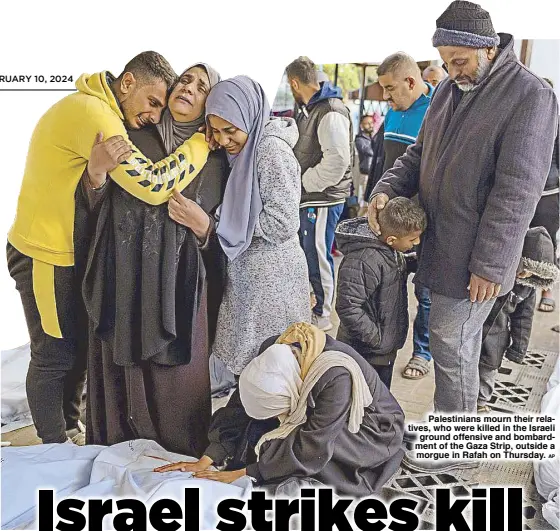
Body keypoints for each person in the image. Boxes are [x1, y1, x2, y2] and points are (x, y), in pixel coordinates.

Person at [6, 52, 209, 445]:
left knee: (76, 348)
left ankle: (67, 432)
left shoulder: (101, 110)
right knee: (53, 354)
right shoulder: (93, 114)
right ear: (127, 83)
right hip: (45, 254)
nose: (154, 115)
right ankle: (54, 446)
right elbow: (151, 186)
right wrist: (200, 145)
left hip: (63, 253)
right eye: (152, 102)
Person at [368, 1, 558, 413]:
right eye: (446, 62)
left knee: (452, 349)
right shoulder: (448, 90)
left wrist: (489, 264)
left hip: (476, 259)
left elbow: (517, 192)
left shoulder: (530, 95)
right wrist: (384, 189)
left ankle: (452, 448)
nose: (453, 71)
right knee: (452, 346)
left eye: (460, 61)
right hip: (442, 247)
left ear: (488, 47)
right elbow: (418, 154)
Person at [81, 64, 227, 456]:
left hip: (177, 284)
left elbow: (226, 229)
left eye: (201, 86)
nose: (189, 89)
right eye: (185, 80)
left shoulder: (215, 158)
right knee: (121, 379)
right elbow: (92, 208)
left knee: (177, 383)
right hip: (122, 276)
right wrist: (95, 174)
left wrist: (204, 228)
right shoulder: (128, 138)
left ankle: (177, 459)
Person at [154, 323, 405, 497]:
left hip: (371, 429)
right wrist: (209, 457)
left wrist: (247, 472)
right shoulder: (274, 349)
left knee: (305, 460)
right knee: (258, 432)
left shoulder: (335, 376)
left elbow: (313, 444)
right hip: (317, 409)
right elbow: (241, 406)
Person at [173, 75, 310, 378]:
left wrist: (219, 223)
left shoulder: (270, 151)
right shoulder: (241, 153)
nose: (223, 140)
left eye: (230, 130)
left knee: (273, 376)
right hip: (249, 285)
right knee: (251, 377)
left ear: (250, 117)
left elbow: (283, 222)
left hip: (274, 288)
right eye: (216, 130)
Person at [368, 52, 435, 381]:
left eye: (390, 88)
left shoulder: (438, 111)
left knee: (424, 292)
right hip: (388, 221)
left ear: (411, 82)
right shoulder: (392, 114)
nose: (385, 96)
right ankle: (383, 349)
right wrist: (372, 199)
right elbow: (383, 165)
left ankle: (422, 352)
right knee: (387, 287)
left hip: (425, 224)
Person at [286, 57, 353, 332]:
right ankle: (315, 306)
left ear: (294, 82)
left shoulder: (330, 111)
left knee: (318, 254)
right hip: (314, 196)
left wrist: (303, 182)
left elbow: (337, 161)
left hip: (322, 198)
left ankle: (323, 314)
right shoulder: (314, 108)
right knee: (310, 253)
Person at [335, 198, 427, 389]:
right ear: (391, 239)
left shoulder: (389, 249)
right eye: (412, 239)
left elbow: (391, 269)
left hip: (382, 351)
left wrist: (416, 262)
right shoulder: (362, 261)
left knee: (380, 401)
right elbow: (348, 306)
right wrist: (376, 339)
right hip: (364, 353)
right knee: (365, 403)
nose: (417, 242)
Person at [478, 227, 560, 412]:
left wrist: (518, 349)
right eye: (524, 270)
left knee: (488, 372)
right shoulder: (495, 277)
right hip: (475, 334)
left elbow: (523, 319)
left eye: (531, 274)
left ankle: (481, 403)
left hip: (496, 341)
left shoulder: (527, 289)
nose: (523, 276)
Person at [533, 78, 559, 313]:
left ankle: (547, 289)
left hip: (549, 193)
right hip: (524, 193)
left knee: (547, 242)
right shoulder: (522, 117)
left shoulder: (557, 123)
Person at [354, 115, 375, 206]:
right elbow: (371, 152)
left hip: (373, 174)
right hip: (365, 174)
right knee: (364, 204)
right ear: (362, 126)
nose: (370, 125)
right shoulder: (359, 139)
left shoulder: (373, 137)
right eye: (367, 123)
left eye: (371, 123)